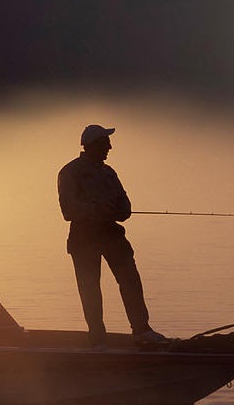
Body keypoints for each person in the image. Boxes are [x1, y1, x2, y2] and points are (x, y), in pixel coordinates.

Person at [58, 125, 166, 349]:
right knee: (90, 289)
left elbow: (125, 205)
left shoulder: (109, 173)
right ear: (93, 145)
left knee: (131, 281)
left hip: (112, 234)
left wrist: (119, 211)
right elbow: (68, 210)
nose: (110, 147)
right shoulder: (70, 171)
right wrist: (95, 209)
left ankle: (142, 331)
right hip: (83, 236)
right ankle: (97, 340)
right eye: (105, 143)